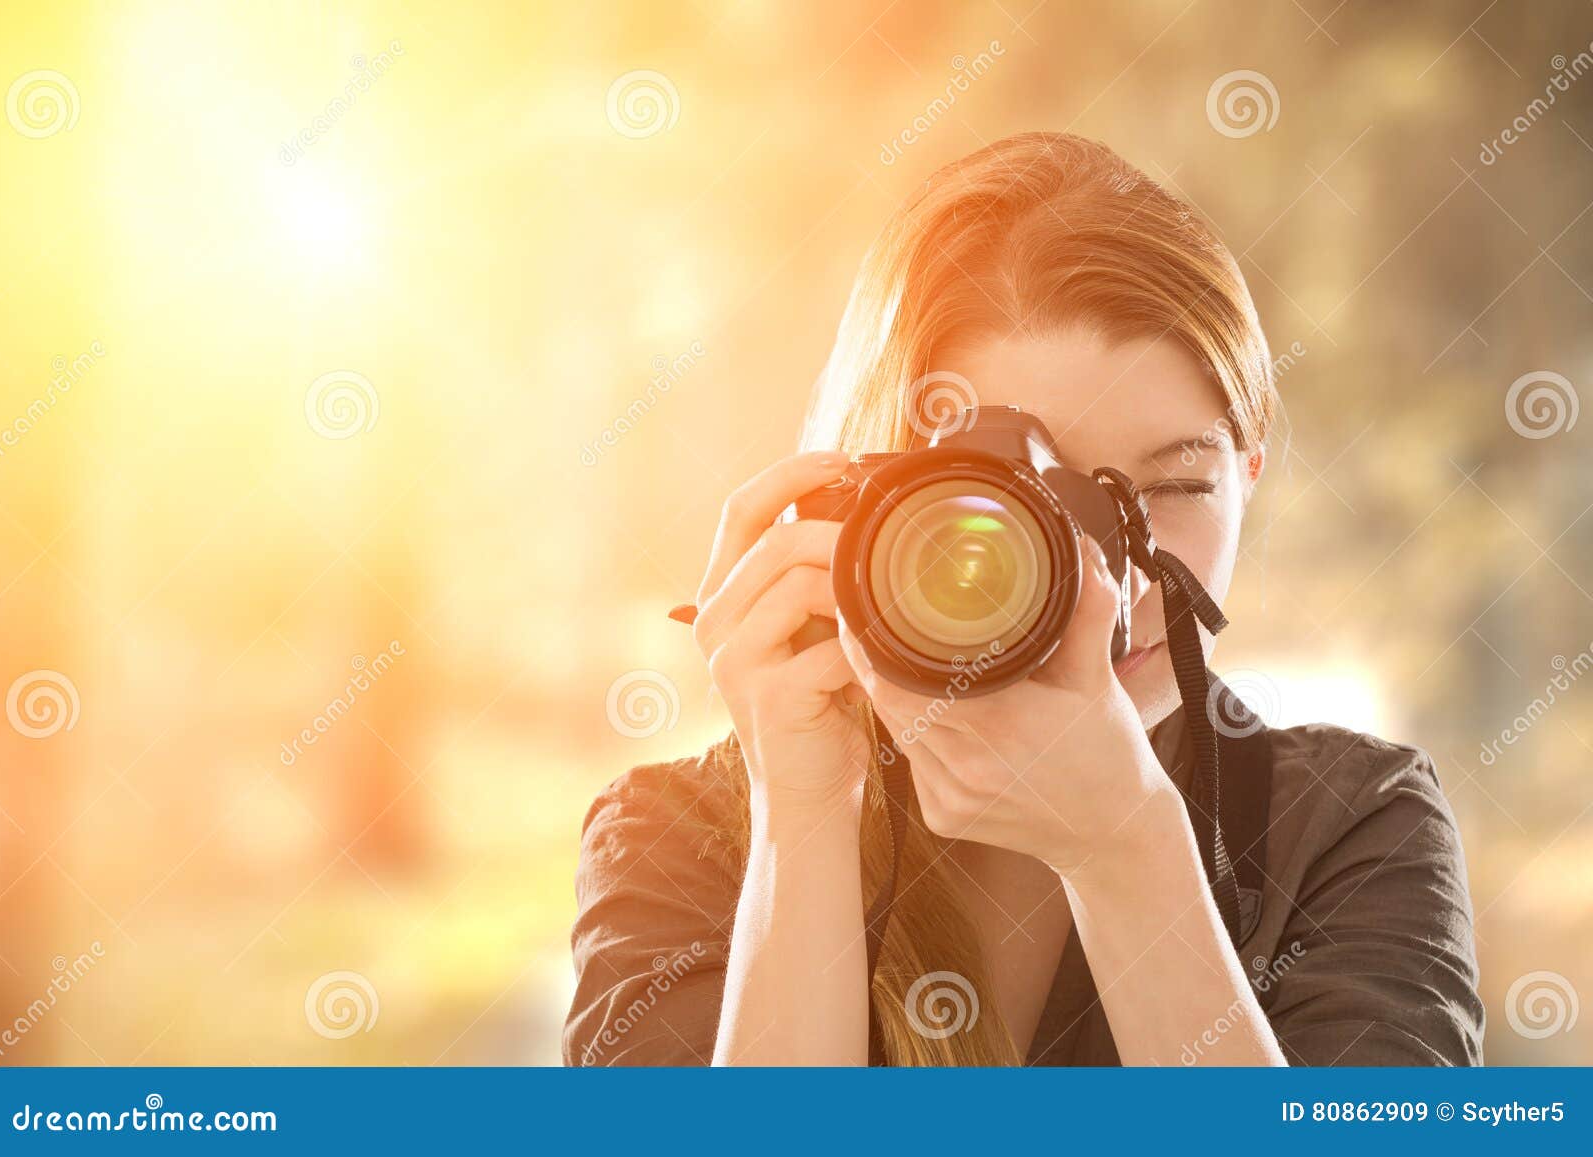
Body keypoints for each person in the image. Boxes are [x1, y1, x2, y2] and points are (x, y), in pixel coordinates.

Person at [564, 132, 1484, 1066]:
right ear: (869, 505)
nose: (1102, 583)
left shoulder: (1352, 825)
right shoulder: (678, 842)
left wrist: (1129, 851)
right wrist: (804, 817)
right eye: (1016, 504)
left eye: (1170, 490)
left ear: (1249, 473)